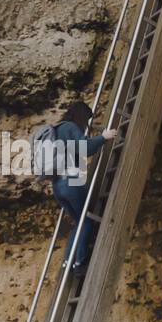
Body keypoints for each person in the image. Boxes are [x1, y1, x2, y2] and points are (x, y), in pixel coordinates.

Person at [51, 102, 117, 276]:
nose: (87, 125)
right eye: (87, 120)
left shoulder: (56, 130)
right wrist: (104, 137)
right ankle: (79, 262)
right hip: (71, 183)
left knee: (78, 222)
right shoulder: (71, 128)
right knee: (85, 220)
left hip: (57, 186)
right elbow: (85, 148)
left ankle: (67, 263)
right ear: (81, 116)